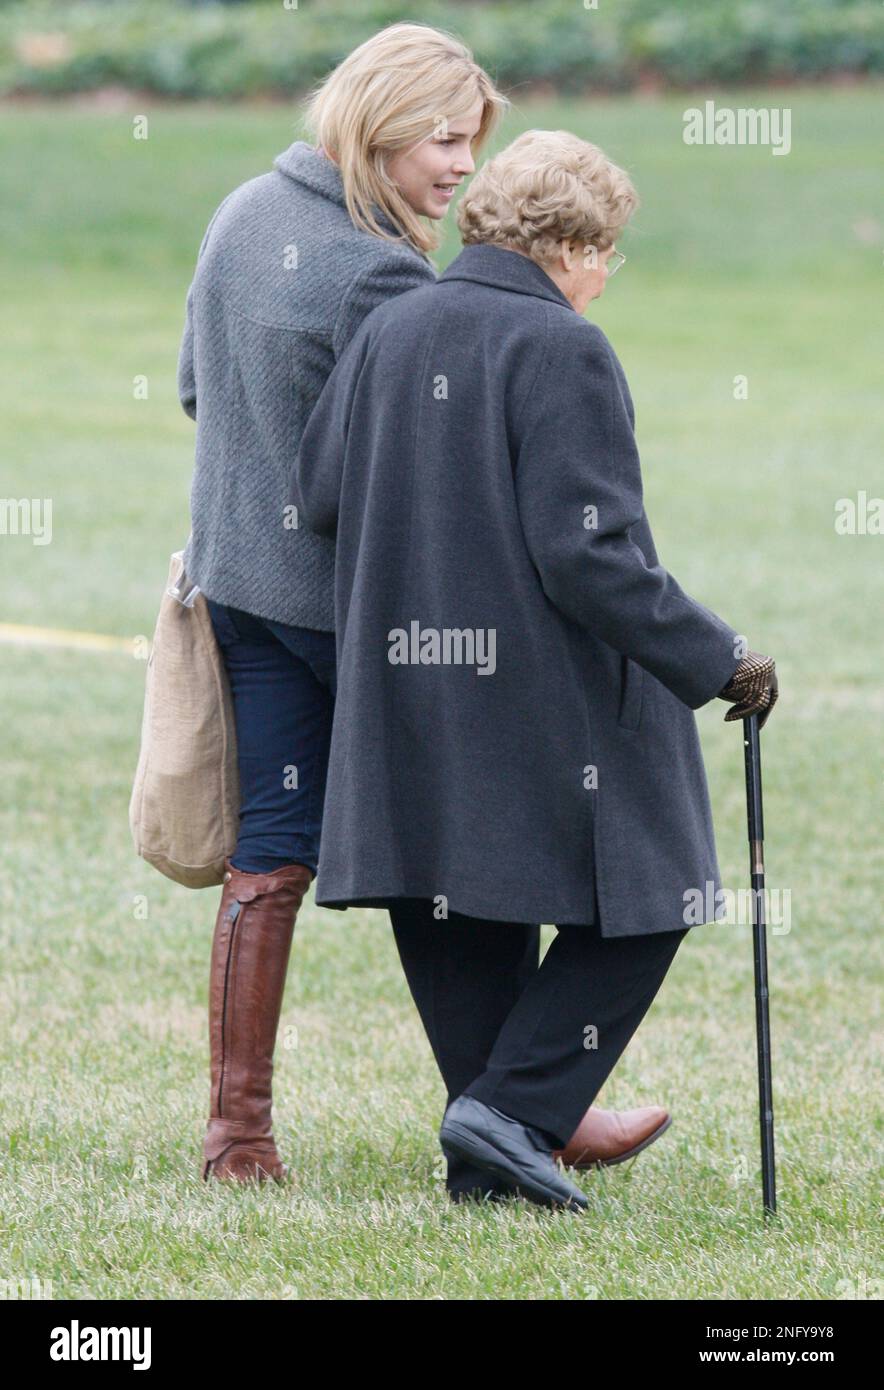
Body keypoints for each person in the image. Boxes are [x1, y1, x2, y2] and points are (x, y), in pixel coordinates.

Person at [176, 25, 642, 1195]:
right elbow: (412, 469)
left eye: (466, 143)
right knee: (464, 843)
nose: (456, 167)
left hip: (237, 585)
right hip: (354, 616)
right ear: (373, 121)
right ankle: (520, 1103)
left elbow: (194, 387)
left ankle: (240, 1137)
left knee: (268, 861)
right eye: (438, 139)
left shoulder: (240, 210)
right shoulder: (380, 270)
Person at [291, 129, 778, 1209]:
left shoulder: (388, 326)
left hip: (401, 696)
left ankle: (492, 1155)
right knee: (658, 889)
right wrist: (721, 658)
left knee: (455, 896)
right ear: (571, 246)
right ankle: (510, 1112)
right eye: (609, 251)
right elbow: (589, 554)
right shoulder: (563, 348)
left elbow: (319, 494)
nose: (606, 274)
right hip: (534, 702)